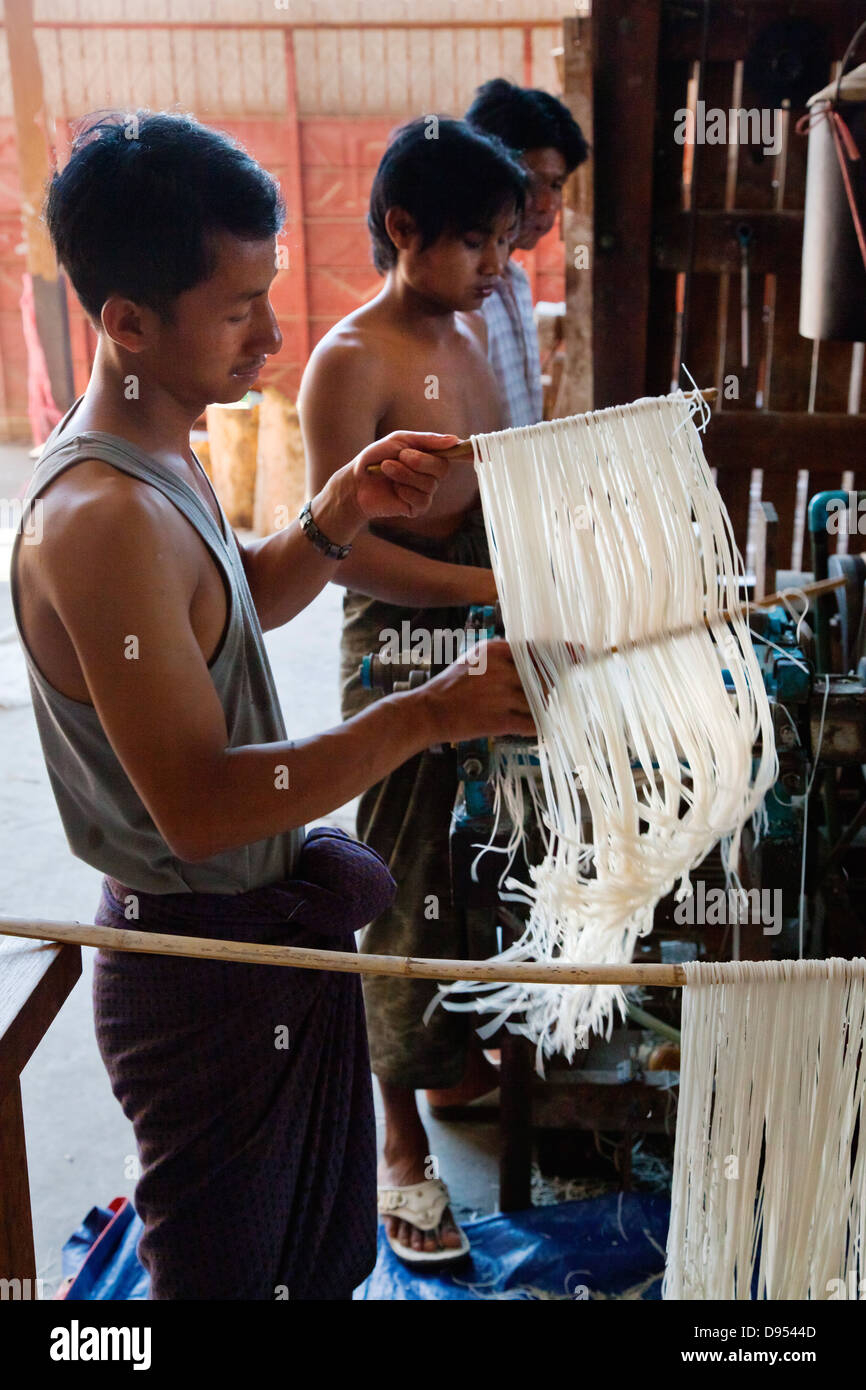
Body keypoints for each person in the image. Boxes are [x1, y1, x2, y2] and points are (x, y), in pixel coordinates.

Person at [10, 111, 533, 1301]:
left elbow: (233, 598)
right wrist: (425, 713)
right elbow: (197, 807)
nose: (275, 333)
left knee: (312, 1251)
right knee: (225, 1278)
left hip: (257, 931)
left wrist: (335, 512)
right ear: (127, 322)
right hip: (198, 963)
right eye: (239, 308)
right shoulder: (99, 522)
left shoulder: (161, 451)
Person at [298, 118, 527, 1266]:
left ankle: (444, 1066)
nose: (498, 264)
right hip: (396, 635)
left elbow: (495, 473)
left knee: (480, 850)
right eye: (480, 242)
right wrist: (487, 581)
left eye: (505, 241)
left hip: (482, 610)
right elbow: (344, 547)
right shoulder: (348, 360)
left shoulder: (468, 333)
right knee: (398, 871)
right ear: (402, 230)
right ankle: (396, 1144)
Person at [466, 78, 590, 426]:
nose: (548, 204)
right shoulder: (462, 295)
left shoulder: (515, 281)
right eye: (529, 180)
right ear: (485, 174)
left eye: (556, 184)